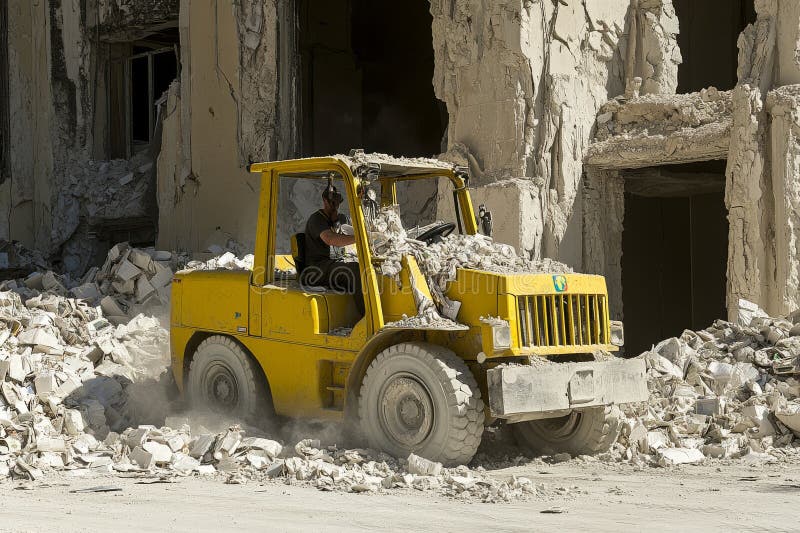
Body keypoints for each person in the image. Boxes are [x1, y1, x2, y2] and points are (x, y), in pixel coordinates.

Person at [302, 183, 365, 316]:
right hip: (318, 267)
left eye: (338, 203)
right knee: (353, 270)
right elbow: (330, 239)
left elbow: (349, 232)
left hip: (335, 263)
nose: (335, 206)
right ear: (324, 201)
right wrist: (360, 238)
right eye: (332, 203)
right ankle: (367, 316)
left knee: (366, 266)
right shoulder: (317, 219)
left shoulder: (341, 218)